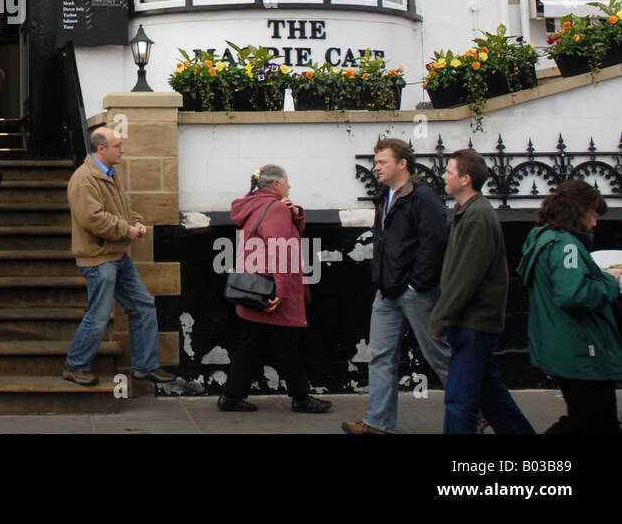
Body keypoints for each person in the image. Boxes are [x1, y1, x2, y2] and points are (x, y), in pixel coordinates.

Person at [342, 137, 450, 435]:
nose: (376, 167)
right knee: (380, 356)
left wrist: (417, 284)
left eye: (382, 162)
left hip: (415, 293)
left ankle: (475, 413)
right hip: (387, 291)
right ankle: (378, 423)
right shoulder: (384, 196)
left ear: (402, 163)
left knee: (438, 354)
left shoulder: (423, 196)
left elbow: (434, 241)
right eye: (375, 162)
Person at [428, 149, 533, 434]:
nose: (443, 176)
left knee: (459, 399)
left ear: (465, 179)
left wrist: (440, 319)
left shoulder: (476, 217)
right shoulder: (469, 212)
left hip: (472, 323)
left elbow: (466, 276)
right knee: (492, 396)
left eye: (449, 171)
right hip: (471, 322)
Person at [63, 127, 175, 386]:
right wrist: (127, 230)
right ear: (101, 149)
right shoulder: (83, 180)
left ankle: (145, 365)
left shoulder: (109, 174)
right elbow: (92, 219)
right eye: (117, 146)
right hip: (98, 258)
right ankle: (75, 365)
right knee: (99, 315)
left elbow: (123, 208)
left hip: (116, 255)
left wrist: (135, 222)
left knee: (143, 306)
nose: (122, 150)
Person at [218, 165, 332, 413]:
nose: (290, 186)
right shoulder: (276, 209)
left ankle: (231, 396)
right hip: (272, 289)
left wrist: (296, 214)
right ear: (276, 184)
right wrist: (282, 290)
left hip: (253, 287)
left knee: (251, 342)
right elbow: (280, 249)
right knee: (288, 343)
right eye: (287, 181)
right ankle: (301, 398)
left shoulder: (254, 204)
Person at [517, 179, 622, 434]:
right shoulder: (567, 247)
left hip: (565, 347)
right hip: (580, 350)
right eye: (593, 214)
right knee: (592, 422)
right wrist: (610, 281)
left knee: (590, 420)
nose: (595, 223)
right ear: (579, 211)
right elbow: (574, 295)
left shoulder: (544, 238)